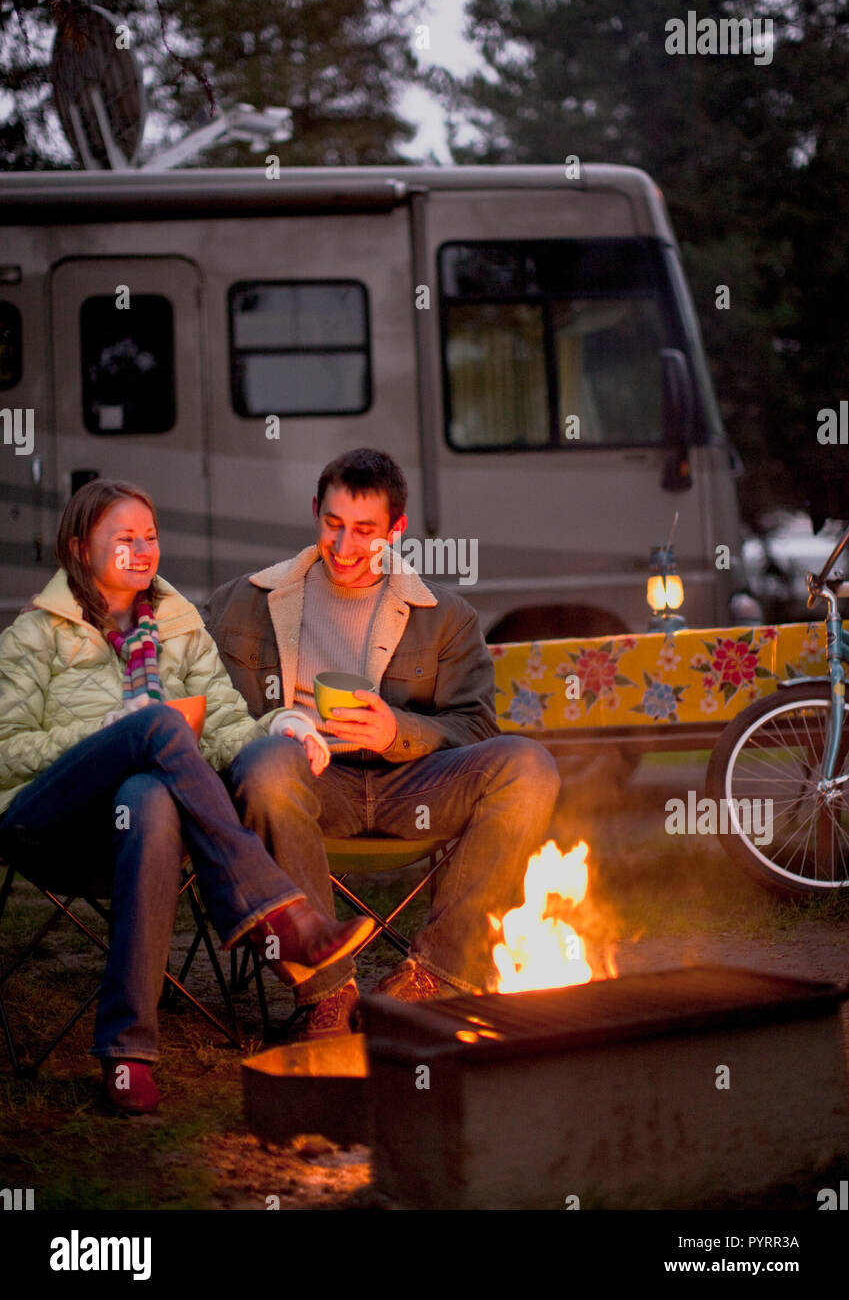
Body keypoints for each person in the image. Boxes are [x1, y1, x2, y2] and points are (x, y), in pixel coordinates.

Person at [0, 479, 373, 1113]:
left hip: (142, 828)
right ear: (76, 548)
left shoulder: (179, 627)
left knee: (149, 793)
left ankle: (125, 1054)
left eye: (150, 537)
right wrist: (113, 729)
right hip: (47, 819)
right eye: (124, 539)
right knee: (157, 723)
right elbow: (6, 750)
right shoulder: (34, 636)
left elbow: (224, 721)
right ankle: (280, 914)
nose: (143, 551)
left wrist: (281, 724)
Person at [205, 448, 561, 1038]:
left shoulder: (445, 616)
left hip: (412, 784)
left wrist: (401, 730)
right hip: (308, 785)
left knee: (528, 766)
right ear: (316, 511)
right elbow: (202, 698)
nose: (343, 548)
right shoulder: (241, 601)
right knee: (267, 765)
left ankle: (437, 975)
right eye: (332, 525)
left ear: (396, 530)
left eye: (364, 531)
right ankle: (328, 991)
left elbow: (475, 726)